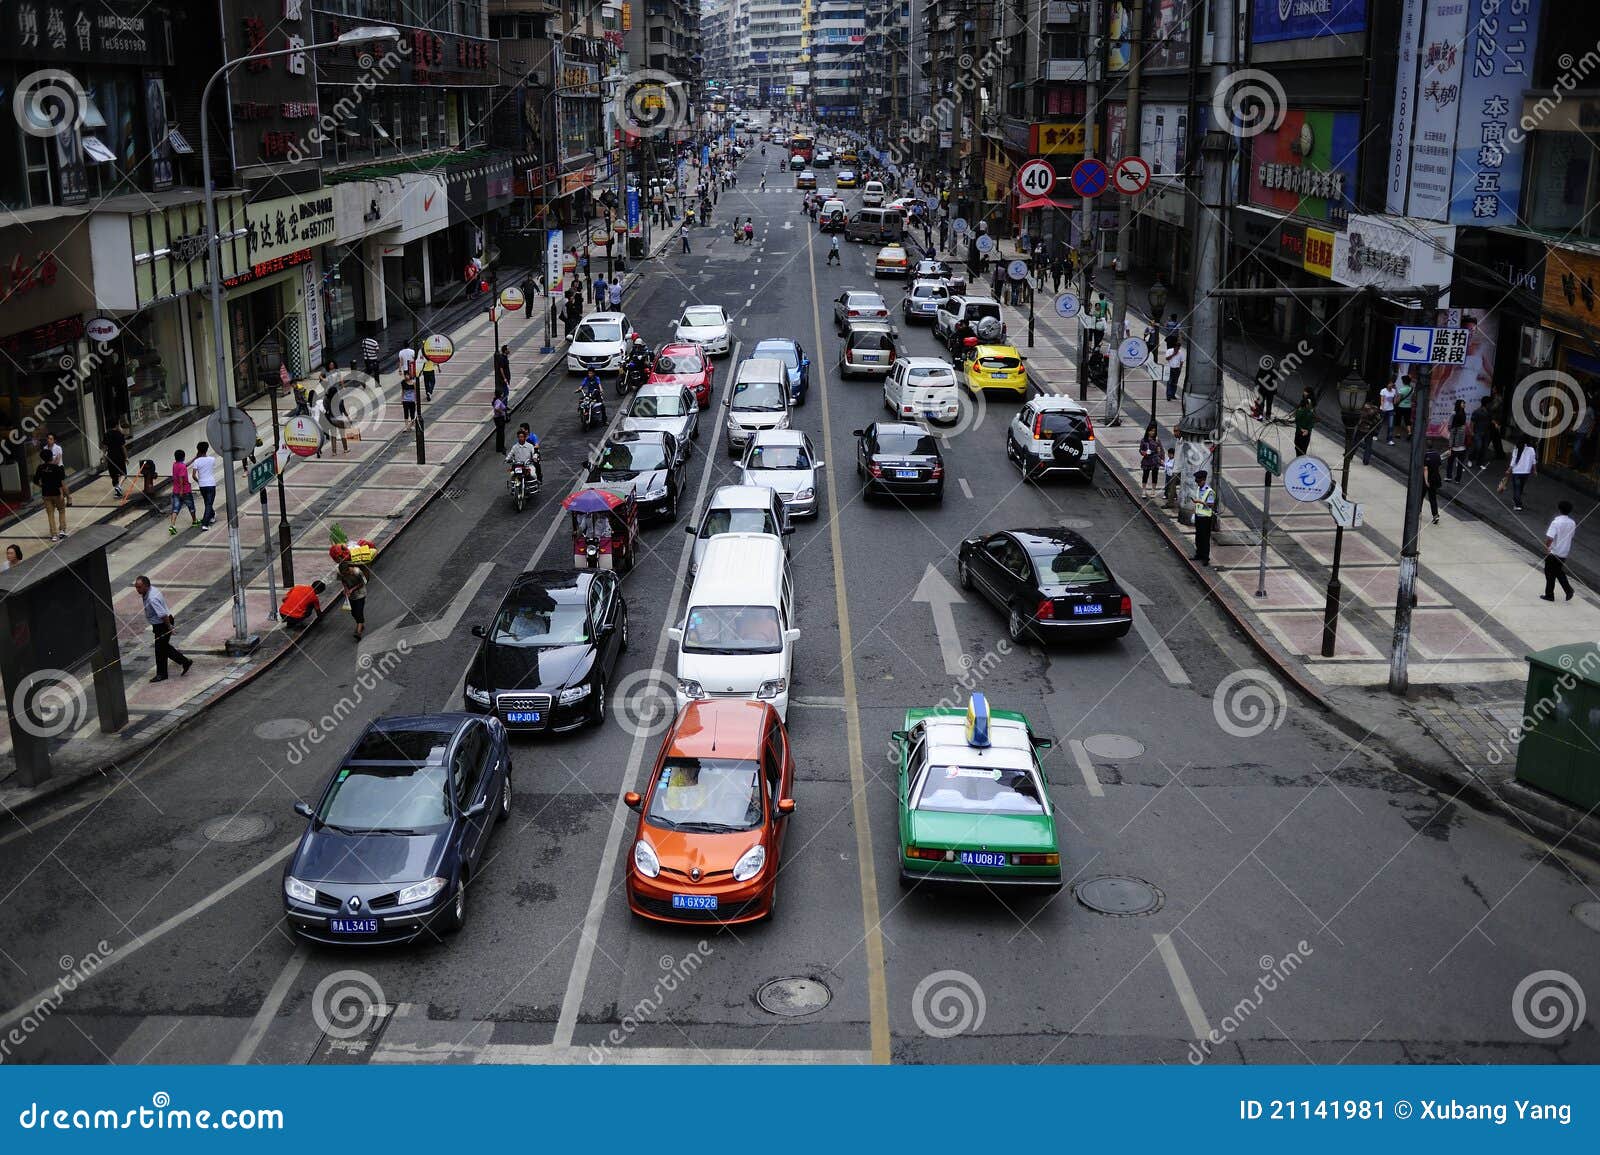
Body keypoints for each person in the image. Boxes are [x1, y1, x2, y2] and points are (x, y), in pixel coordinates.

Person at [134, 575, 191, 681]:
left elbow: (163, 615)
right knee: (163, 648)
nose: (137, 589)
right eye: (136, 587)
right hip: (160, 624)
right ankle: (185, 662)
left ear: (146, 586)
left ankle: (162, 674)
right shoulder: (149, 590)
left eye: (139, 587)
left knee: (160, 650)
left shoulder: (152, 598)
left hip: (163, 624)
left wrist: (169, 627)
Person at [1542, 500, 1577, 602]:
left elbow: (1550, 538)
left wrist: (1547, 547)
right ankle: (1568, 590)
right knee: (1557, 571)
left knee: (1549, 572)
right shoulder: (1572, 523)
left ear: (1559, 509)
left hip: (1554, 551)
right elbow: (1571, 536)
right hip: (1564, 551)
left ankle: (1550, 595)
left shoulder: (1556, 522)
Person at [33, 451, 68, 541]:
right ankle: (62, 530)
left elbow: (35, 480)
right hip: (56, 492)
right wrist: (63, 494)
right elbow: (60, 482)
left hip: (46, 493)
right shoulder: (56, 467)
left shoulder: (40, 467)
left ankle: (54, 535)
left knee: (50, 514)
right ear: (51, 457)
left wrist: (42, 486)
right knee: (61, 510)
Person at [337, 559, 370, 640]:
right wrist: (345, 589)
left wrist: (352, 589)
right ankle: (360, 624)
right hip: (351, 596)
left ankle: (358, 632)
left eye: (345, 573)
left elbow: (363, 583)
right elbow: (343, 581)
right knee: (354, 613)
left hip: (360, 594)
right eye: (343, 574)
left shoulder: (357, 572)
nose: (344, 575)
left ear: (348, 570)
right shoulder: (340, 573)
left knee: (359, 611)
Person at [190, 441, 219, 528]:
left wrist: (199, 481)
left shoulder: (196, 461)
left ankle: (212, 515)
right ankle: (205, 524)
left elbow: (193, 475)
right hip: (211, 484)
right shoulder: (212, 459)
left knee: (207, 502)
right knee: (209, 504)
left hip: (202, 485)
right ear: (207, 449)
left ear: (198, 450)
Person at [168, 449, 195, 534]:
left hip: (175, 490)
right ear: (183, 457)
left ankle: (172, 525)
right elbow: (181, 478)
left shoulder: (175, 465)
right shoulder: (182, 467)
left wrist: (194, 459)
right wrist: (182, 491)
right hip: (185, 491)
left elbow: (184, 465)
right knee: (191, 506)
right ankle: (194, 521)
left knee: (175, 508)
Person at [1192, 469, 1216, 564]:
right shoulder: (1199, 489)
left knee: (1205, 538)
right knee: (1198, 537)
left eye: (1199, 481)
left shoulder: (1209, 491)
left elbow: (1210, 504)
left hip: (1206, 518)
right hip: (1198, 516)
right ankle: (1199, 554)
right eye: (1197, 481)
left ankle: (1206, 558)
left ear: (1203, 480)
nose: (1197, 483)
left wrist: (1200, 501)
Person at [1506, 435, 1536, 510]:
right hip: (1526, 472)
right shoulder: (1531, 449)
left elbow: (1513, 460)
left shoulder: (1516, 448)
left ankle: (1518, 504)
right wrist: (1535, 470)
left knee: (1517, 488)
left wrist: (1509, 470)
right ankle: (1516, 500)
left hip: (1516, 472)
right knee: (1520, 488)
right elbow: (1533, 461)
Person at [103, 417, 128, 498]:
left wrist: (104, 457)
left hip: (110, 456)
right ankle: (119, 486)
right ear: (117, 425)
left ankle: (118, 492)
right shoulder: (119, 434)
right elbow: (123, 447)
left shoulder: (106, 434)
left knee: (114, 475)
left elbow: (105, 447)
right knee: (123, 474)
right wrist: (126, 457)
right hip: (119, 456)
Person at [1470, 395, 1495, 469]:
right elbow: (1472, 422)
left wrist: (1495, 423)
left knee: (1484, 448)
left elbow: (1491, 419)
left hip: (1487, 432)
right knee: (1478, 447)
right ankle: (1470, 458)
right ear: (1487, 403)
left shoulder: (1489, 412)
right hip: (1478, 432)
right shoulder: (1477, 411)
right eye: (1490, 403)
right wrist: (1472, 431)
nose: (1491, 405)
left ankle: (1480, 463)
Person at [1424, 439, 1444, 525]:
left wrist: (1426, 481)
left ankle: (1418, 512)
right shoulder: (1437, 454)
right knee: (1433, 498)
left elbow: (1425, 469)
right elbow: (1438, 467)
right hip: (1435, 478)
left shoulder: (1425, 455)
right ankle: (1435, 515)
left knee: (1420, 496)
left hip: (1428, 479)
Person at [1138, 425, 1163, 496]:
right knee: (1145, 475)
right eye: (1151, 431)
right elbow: (1140, 450)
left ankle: (1153, 489)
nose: (1152, 432)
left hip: (1155, 459)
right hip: (1146, 459)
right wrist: (1143, 452)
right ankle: (1144, 490)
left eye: (1154, 431)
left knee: (1155, 475)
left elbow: (1160, 450)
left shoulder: (1157, 440)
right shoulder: (1144, 440)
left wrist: (1160, 455)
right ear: (1148, 431)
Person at [1292, 392, 1316, 457]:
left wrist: (1307, 430)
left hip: (1305, 434)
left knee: (1302, 450)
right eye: (1309, 404)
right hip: (1300, 433)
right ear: (1306, 405)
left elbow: (1312, 423)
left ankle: (1300, 459)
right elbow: (1297, 421)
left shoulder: (1311, 413)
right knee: (1298, 449)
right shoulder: (1301, 411)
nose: (1310, 406)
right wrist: (1302, 429)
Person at [1395, 371, 1415, 440]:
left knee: (1398, 420)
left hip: (1401, 407)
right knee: (1407, 420)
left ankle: (1398, 434)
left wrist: (1395, 402)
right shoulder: (1412, 389)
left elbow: (1398, 400)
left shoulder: (1402, 390)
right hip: (1408, 407)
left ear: (1403, 382)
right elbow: (1412, 398)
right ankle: (1409, 432)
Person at [1378, 378, 1397, 443]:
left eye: (1392, 383)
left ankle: (1389, 439)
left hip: (1391, 409)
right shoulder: (1383, 390)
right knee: (1380, 423)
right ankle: (1375, 434)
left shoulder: (1394, 391)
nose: (1391, 384)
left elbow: (1395, 402)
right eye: (1390, 383)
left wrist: (1396, 394)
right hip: (1383, 409)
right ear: (1387, 384)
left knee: (1391, 425)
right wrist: (1383, 408)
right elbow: (1382, 400)